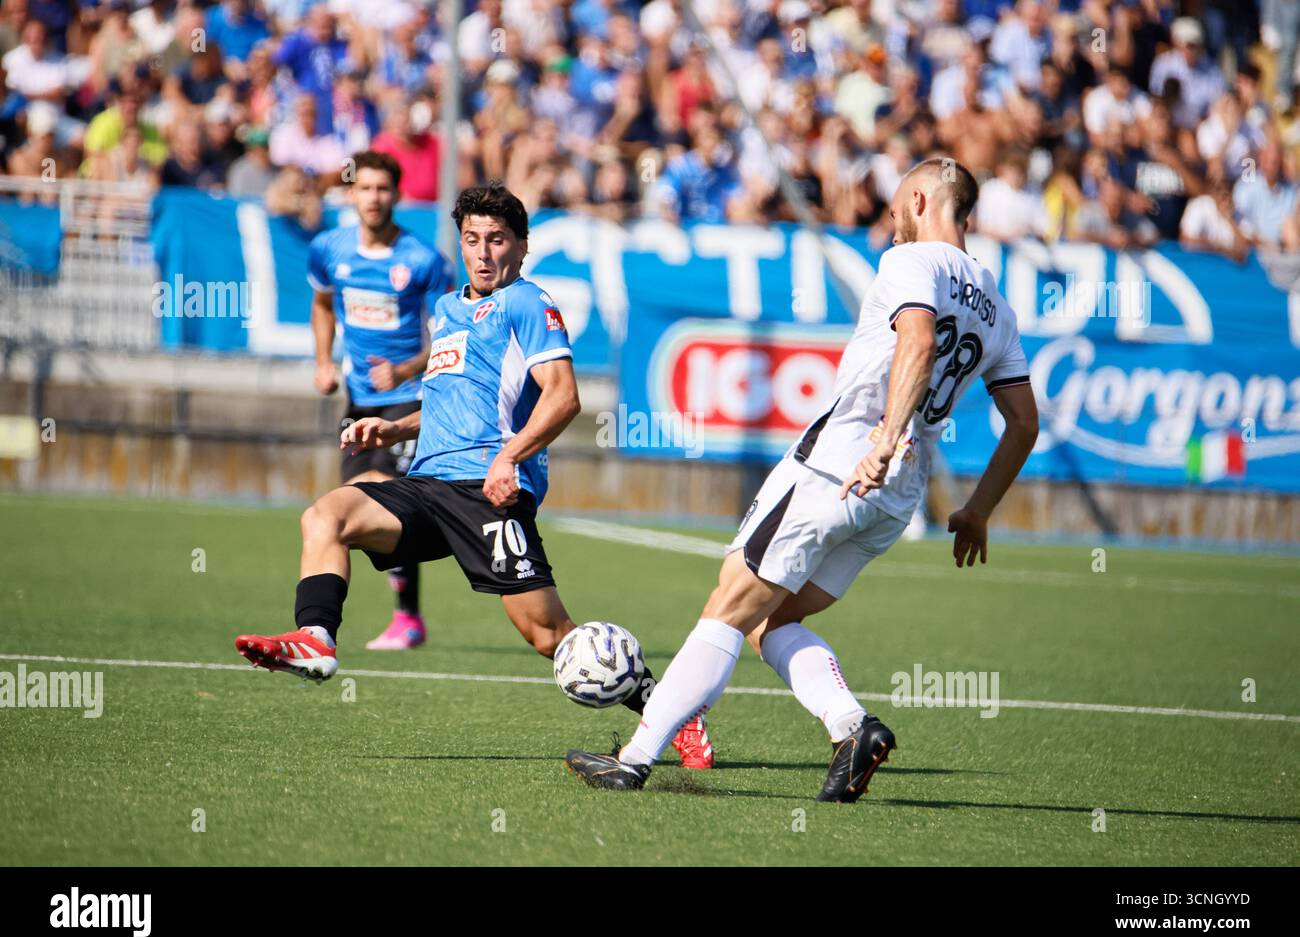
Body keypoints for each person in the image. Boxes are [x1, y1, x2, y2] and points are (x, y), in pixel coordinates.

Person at [564, 158, 1040, 799]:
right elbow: (1024, 425)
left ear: (923, 200)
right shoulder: (999, 312)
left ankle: (634, 757)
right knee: (769, 624)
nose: (892, 220)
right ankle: (852, 729)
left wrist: (882, 437)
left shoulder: (912, 263)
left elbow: (918, 343)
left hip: (844, 462)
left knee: (727, 609)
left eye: (899, 205)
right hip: (898, 496)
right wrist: (978, 510)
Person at [234, 182, 716, 769]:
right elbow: (449, 403)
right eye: (472, 240)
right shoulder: (448, 309)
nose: (483, 253)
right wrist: (392, 431)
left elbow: (563, 398)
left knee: (549, 636)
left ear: (520, 246)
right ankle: (318, 640)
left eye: (496, 240)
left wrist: (509, 458)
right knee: (326, 515)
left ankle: (673, 715)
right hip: (428, 484)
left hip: (489, 492)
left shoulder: (527, 303)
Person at [307, 150, 453, 649]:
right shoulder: (329, 249)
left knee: (381, 491)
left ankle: (407, 617)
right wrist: (324, 361)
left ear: (396, 194)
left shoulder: (422, 260)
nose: (374, 198)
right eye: (365, 188)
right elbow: (323, 303)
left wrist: (408, 368)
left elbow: (450, 336)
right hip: (358, 399)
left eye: (383, 189)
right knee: (354, 506)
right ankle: (399, 614)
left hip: (410, 402)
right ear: (352, 193)